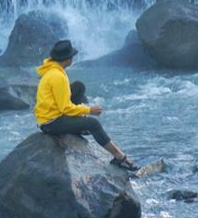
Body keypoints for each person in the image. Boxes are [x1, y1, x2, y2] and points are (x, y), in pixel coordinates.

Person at [35, 40, 139, 171]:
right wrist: (88, 110)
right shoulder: (57, 77)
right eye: (72, 56)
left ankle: (77, 124)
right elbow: (65, 108)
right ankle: (120, 157)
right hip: (51, 122)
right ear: (68, 60)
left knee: (78, 87)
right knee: (93, 124)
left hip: (50, 115)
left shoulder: (52, 69)